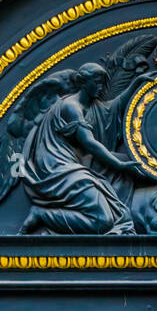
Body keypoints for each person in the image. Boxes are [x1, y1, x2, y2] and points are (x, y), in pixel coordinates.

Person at [19, 62, 140, 235]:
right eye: (96, 82)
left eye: (102, 83)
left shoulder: (91, 105)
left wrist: (137, 83)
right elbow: (89, 143)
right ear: (83, 82)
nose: (100, 87)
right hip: (57, 168)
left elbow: (113, 107)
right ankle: (42, 214)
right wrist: (118, 164)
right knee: (103, 221)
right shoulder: (71, 107)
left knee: (119, 186)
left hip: (73, 166)